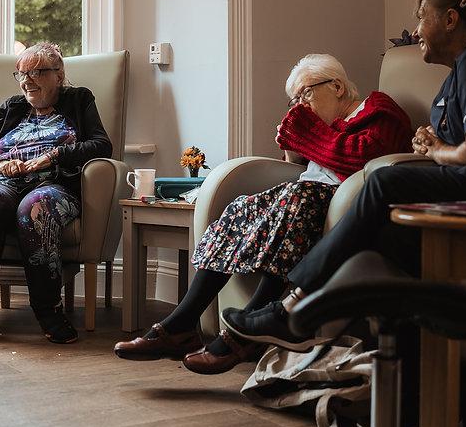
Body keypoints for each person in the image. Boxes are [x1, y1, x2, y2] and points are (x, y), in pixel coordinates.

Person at [224, 0, 466, 352]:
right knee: (380, 240)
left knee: (384, 182)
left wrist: (435, 151)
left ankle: (292, 312)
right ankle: (366, 358)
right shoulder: (464, 70)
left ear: (450, 19)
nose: (415, 30)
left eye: (421, 16)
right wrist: (436, 141)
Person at [115, 53, 412, 374]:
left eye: (305, 93)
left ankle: (242, 337)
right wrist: (293, 143)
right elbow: (298, 167)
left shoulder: (378, 108)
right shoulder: (326, 126)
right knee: (239, 208)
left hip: (343, 203)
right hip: (304, 196)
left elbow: (368, 156)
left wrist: (307, 133)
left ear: (337, 86)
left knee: (298, 198)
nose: (300, 104)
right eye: (293, 100)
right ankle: (182, 325)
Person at [0, 43, 113, 346]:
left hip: (55, 183)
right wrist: (0, 163)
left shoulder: (79, 99)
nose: (27, 80)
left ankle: (48, 310)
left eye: (37, 72)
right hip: (7, 180)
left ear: (59, 75)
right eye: (22, 74)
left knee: (34, 208)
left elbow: (101, 145)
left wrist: (54, 156)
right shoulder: (12, 107)